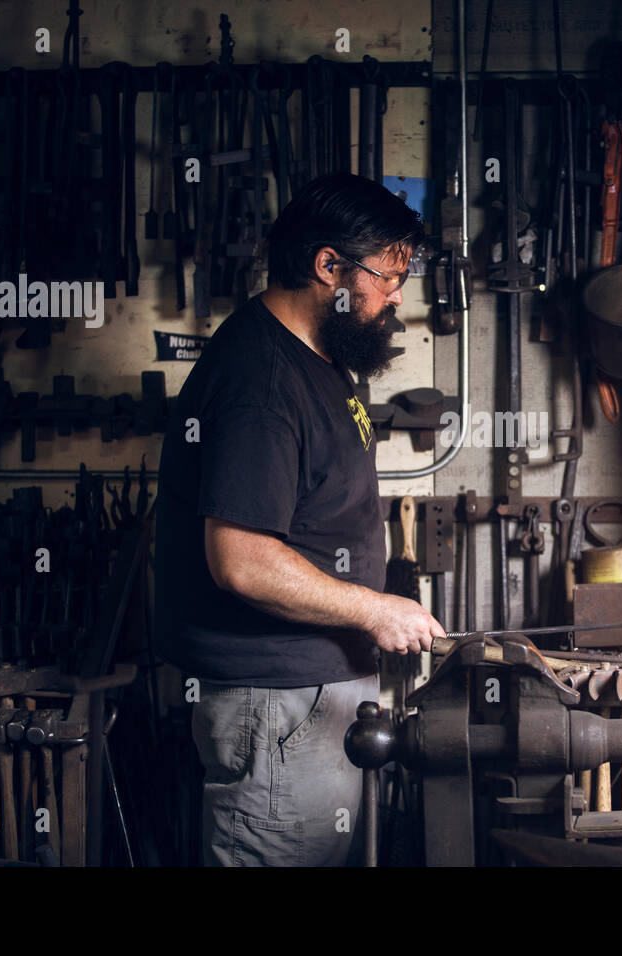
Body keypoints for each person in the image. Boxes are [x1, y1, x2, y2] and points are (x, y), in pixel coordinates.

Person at [154, 172, 446, 866]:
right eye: (388, 273)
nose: (397, 294)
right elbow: (242, 559)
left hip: (306, 700)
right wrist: (374, 609)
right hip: (275, 709)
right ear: (327, 266)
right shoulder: (263, 381)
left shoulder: (314, 361)